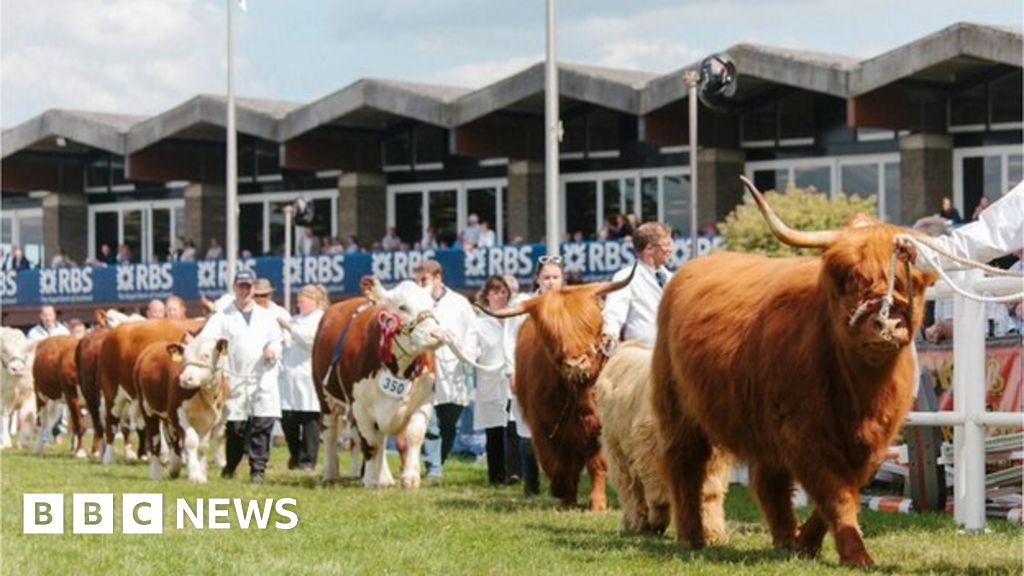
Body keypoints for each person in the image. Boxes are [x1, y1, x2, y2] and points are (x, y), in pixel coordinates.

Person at [196, 270, 283, 484]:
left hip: (263, 375)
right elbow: (207, 339)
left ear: (253, 288)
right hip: (234, 376)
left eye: (248, 286)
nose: (245, 290)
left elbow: (277, 339)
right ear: (234, 288)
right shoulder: (222, 316)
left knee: (262, 424)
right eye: (241, 286)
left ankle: (258, 470)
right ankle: (232, 464)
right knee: (236, 428)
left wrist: (272, 350)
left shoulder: (266, 316)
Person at [506, 257, 566, 496]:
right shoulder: (523, 304)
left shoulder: (571, 304)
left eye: (555, 277)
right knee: (527, 424)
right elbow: (510, 338)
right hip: (530, 372)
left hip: (561, 374)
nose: (551, 282)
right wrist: (512, 371)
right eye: (546, 277)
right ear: (538, 279)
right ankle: (531, 482)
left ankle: (560, 481)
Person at [415, 259, 480, 480]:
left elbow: (472, 332)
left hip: (453, 369)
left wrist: (468, 354)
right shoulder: (417, 303)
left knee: (450, 424)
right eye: (418, 280)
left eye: (424, 280)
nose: (420, 284)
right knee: (428, 421)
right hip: (424, 370)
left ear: (438, 278)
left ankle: (438, 461)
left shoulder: (459, 303)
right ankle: (433, 469)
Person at [278, 284, 327, 470]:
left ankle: (308, 460)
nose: (299, 302)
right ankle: (295, 454)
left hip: (308, 374)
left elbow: (311, 341)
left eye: (303, 299)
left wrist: (290, 328)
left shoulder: (320, 318)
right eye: (298, 299)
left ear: (315, 300)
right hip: (289, 376)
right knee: (288, 418)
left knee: (309, 420)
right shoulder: (296, 319)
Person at [603, 222, 672, 346]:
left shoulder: (672, 278)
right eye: (666, 245)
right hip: (642, 355)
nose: (670, 250)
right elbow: (613, 314)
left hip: (671, 353)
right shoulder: (625, 277)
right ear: (649, 249)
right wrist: (609, 339)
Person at [473, 275, 514, 485]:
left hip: (513, 383)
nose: (501, 296)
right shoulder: (479, 325)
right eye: (496, 292)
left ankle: (517, 474)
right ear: (487, 296)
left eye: (504, 292)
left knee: (515, 430)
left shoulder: (515, 319)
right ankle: (497, 477)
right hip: (490, 382)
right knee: (495, 432)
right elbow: (472, 351)